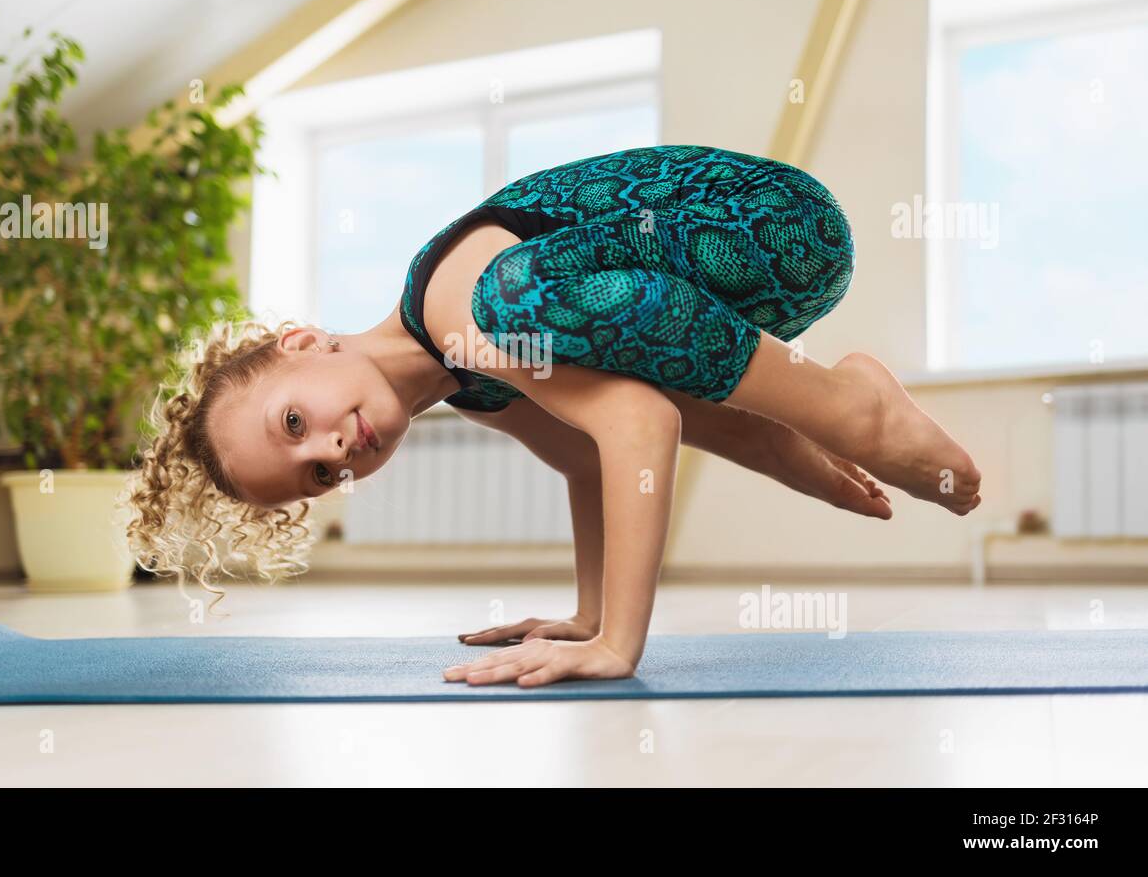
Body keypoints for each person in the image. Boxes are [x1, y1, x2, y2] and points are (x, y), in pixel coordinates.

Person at [126, 144, 981, 688]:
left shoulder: (460, 309)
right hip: (727, 288)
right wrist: (586, 613)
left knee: (515, 303)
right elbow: (590, 455)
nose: (335, 450)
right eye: (319, 473)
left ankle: (846, 406)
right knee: (568, 372)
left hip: (766, 221)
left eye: (292, 423)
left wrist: (618, 645)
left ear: (301, 341)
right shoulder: (476, 384)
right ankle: (818, 417)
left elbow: (643, 425)